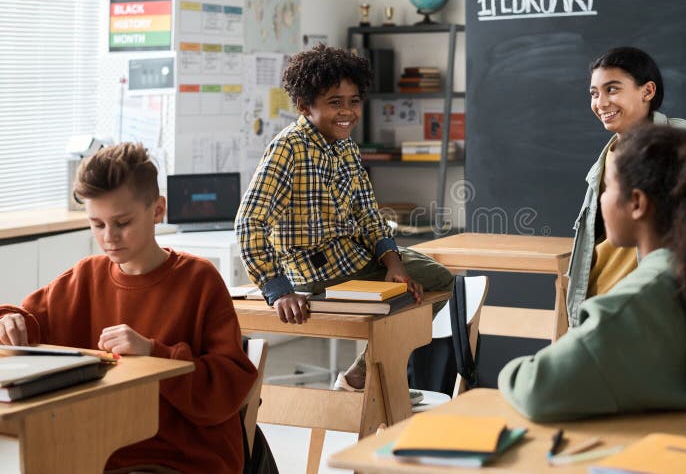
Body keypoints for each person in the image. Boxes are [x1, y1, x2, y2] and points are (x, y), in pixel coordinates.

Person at [499, 125, 686, 429]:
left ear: (638, 203)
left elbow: (535, 387)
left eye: (607, 188)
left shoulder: (637, 303)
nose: (601, 201)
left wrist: (506, 372)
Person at [0, 143, 257, 474]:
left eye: (122, 222)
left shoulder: (199, 280)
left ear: (158, 210)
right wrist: (8, 322)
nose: (109, 237)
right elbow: (27, 320)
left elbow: (228, 388)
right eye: (97, 224)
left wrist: (153, 352)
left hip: (181, 458)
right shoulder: (85, 277)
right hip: (99, 448)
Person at [236, 44, 453, 396]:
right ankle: (372, 374)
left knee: (427, 280)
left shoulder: (345, 147)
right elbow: (249, 222)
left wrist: (393, 263)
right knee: (437, 278)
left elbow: (368, 214)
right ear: (305, 105)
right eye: (335, 102)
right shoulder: (288, 148)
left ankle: (372, 372)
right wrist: (277, 291)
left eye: (354, 101)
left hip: (349, 258)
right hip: (315, 271)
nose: (347, 112)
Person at [566, 47, 686, 327]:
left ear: (647, 91)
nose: (601, 102)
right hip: (598, 305)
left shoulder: (678, 139)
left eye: (612, 89)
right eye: (594, 93)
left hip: (644, 313)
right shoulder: (607, 157)